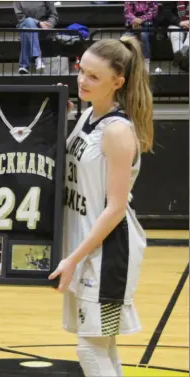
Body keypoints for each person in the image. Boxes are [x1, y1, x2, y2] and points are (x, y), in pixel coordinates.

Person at [49, 35, 153, 376]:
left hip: (109, 251)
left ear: (117, 81)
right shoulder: (86, 118)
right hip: (88, 246)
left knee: (90, 348)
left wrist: (72, 259)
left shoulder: (117, 131)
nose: (82, 80)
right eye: (82, 70)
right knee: (102, 346)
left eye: (94, 76)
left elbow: (116, 207)